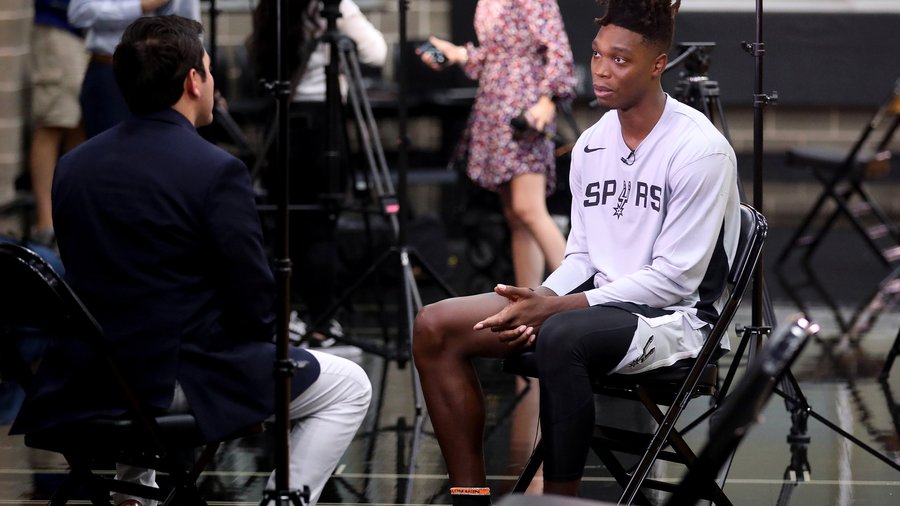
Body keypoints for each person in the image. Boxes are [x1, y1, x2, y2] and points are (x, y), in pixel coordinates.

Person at [10, 15, 371, 506]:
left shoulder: (74, 166)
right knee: (350, 383)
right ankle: (283, 502)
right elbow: (255, 310)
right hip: (167, 382)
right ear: (193, 81)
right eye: (208, 68)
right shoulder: (215, 169)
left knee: (145, 335)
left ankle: (133, 496)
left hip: (82, 381)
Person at [412, 0, 741, 503]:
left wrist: (557, 307)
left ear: (657, 65)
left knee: (562, 334)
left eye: (621, 60)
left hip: (675, 321)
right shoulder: (590, 144)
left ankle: (557, 501)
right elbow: (583, 257)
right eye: (597, 56)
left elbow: (676, 280)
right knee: (435, 325)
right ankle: (470, 496)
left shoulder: (700, 149)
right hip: (595, 307)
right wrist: (540, 294)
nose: (602, 72)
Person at [250, 0, 387, 349]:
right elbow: (377, 52)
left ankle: (283, 317)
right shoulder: (334, 6)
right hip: (322, 125)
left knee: (286, 226)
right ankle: (323, 323)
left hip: (280, 123)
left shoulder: (271, 6)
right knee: (321, 228)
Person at [419, 0, 577, 289]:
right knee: (516, 214)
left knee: (529, 208)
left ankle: (580, 293)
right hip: (495, 103)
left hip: (523, 106)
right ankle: (528, 297)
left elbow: (558, 50)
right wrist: (458, 54)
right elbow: (494, 55)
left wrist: (547, 101)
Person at [68, 0, 200, 138]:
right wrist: (140, 6)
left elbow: (190, 27)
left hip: (167, 75)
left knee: (161, 148)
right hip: (109, 71)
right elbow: (79, 12)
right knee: (109, 149)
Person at [27, 0, 88, 247]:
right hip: (60, 23)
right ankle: (45, 226)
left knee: (81, 124)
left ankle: (69, 220)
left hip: (92, 28)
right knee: (54, 121)